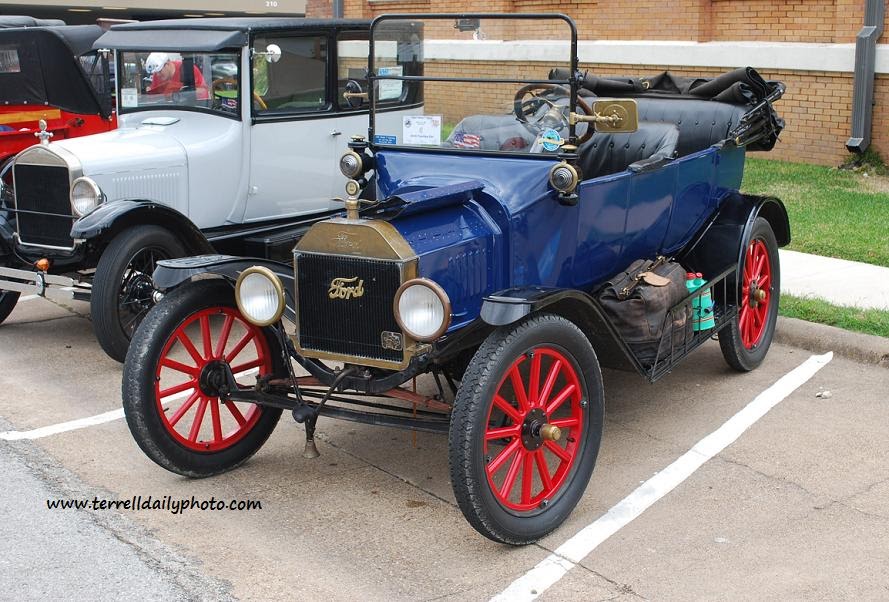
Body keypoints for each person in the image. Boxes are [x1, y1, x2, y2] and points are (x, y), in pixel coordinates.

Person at [144, 52, 208, 100]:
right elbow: (153, 98)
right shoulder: (157, 75)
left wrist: (179, 92)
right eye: (156, 72)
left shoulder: (188, 69)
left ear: (168, 63)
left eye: (160, 71)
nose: (157, 75)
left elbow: (204, 92)